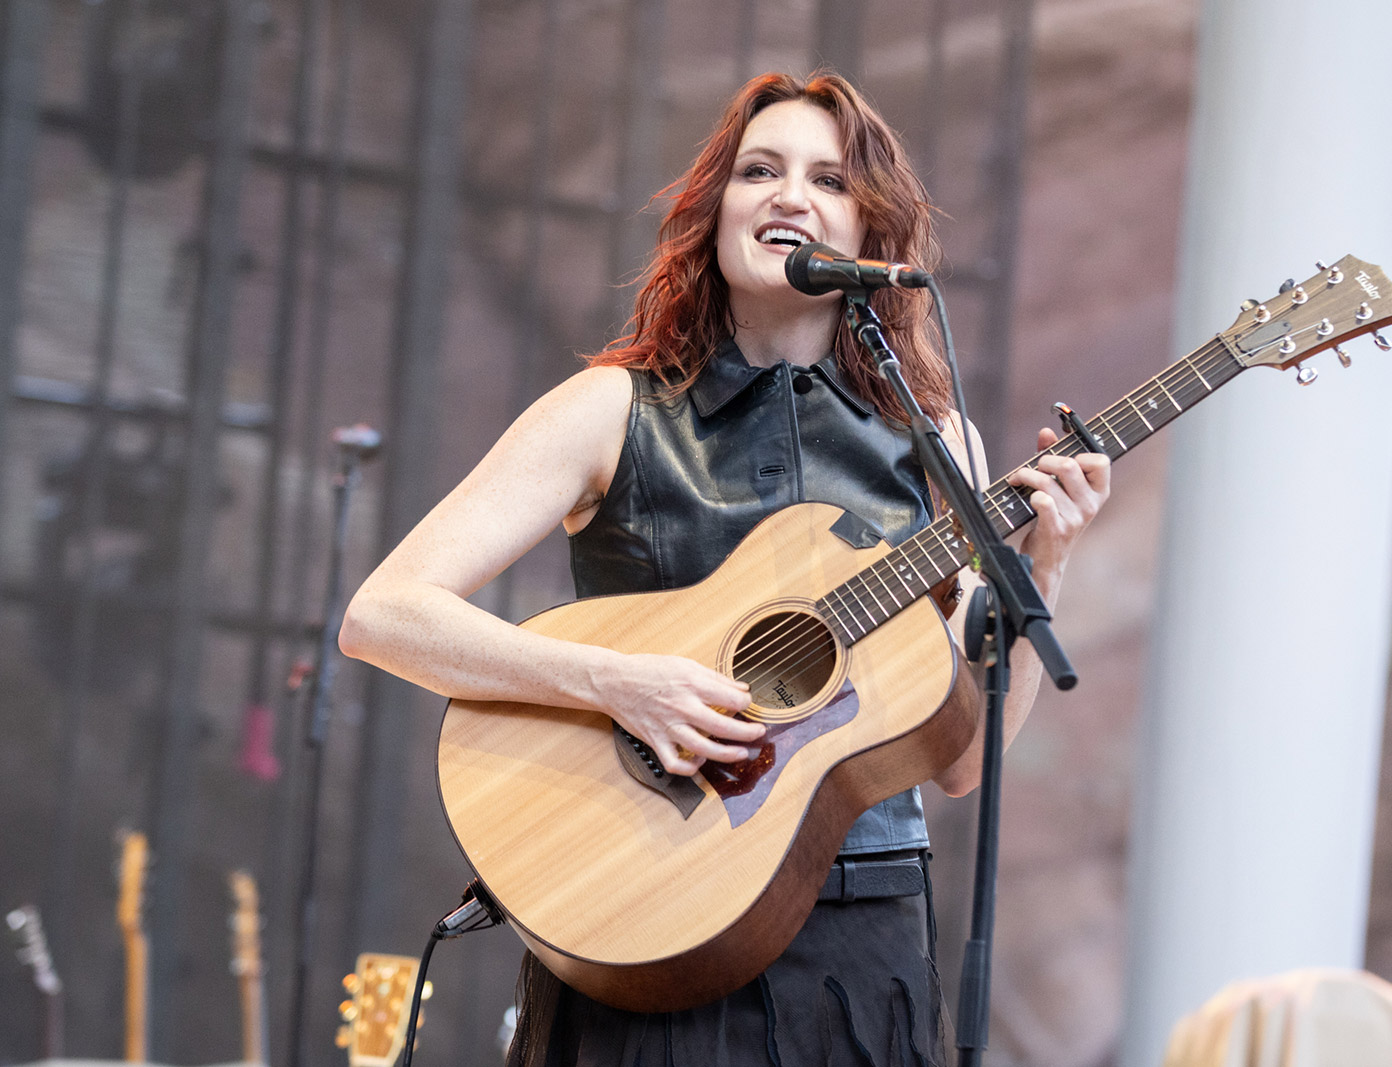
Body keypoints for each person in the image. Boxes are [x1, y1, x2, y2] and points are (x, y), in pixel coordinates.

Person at [339, 70, 1110, 1067]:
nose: (789, 195)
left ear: (871, 234)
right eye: (760, 170)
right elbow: (385, 612)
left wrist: (1042, 568)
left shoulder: (940, 445)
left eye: (827, 179)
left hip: (863, 942)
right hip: (650, 903)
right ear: (713, 215)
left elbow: (960, 761)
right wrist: (617, 680)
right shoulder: (609, 409)